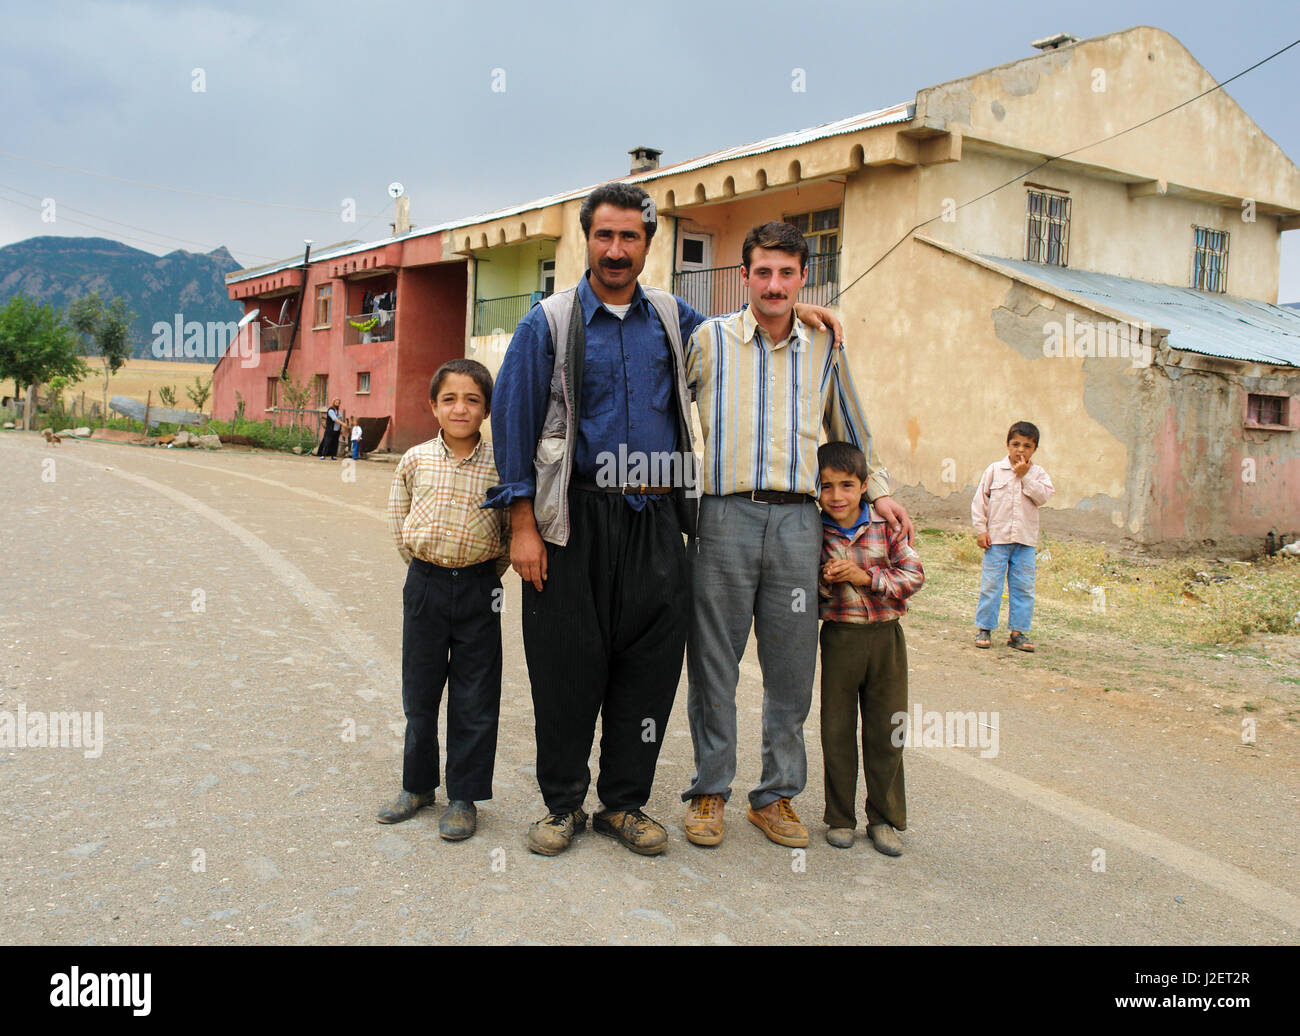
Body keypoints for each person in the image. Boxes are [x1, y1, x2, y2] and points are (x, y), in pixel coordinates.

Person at [487, 183, 847, 857]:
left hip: (656, 520)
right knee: (567, 666)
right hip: (575, 519)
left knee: (649, 669)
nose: (617, 250)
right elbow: (513, 423)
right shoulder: (551, 323)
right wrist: (524, 525)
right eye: (605, 236)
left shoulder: (674, 319)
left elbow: (750, 330)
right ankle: (563, 804)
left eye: (630, 238)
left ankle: (624, 804)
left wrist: (800, 309)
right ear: (586, 240)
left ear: (648, 246)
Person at [680, 221, 913, 849]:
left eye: (787, 273)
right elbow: (668, 402)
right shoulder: (709, 341)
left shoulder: (822, 346)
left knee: (790, 665)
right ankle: (709, 790)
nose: (775, 284)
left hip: (798, 522)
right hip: (723, 516)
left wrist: (881, 489)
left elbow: (851, 422)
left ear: (803, 277)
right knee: (713, 663)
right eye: (763, 272)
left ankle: (777, 795)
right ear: (746, 276)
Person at [379, 359, 510, 840]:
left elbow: (509, 535)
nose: (461, 408)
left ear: (487, 409)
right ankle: (416, 787)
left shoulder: (502, 464)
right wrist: (426, 570)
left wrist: (479, 576)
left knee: (476, 695)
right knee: (419, 691)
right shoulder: (414, 460)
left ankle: (463, 797)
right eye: (450, 399)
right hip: (425, 584)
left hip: (480, 588)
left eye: (473, 400)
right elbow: (399, 523)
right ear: (433, 406)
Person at [816, 440, 924, 855]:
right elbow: (808, 588)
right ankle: (840, 817)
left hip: (886, 639)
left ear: (865, 487)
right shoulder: (816, 529)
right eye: (827, 487)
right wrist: (827, 577)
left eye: (847, 485)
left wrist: (867, 578)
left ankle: (884, 818)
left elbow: (913, 575)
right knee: (837, 730)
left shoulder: (885, 526)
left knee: (886, 730)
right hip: (841, 639)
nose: (837, 496)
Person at [971, 421, 1054, 651]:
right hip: (996, 540)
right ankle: (984, 628)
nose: (1020, 450)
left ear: (1034, 449)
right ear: (1007, 445)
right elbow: (980, 502)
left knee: (1023, 587)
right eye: (1015, 444)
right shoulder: (994, 471)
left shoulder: (1038, 474)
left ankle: (1017, 633)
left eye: (1027, 446)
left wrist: (1025, 476)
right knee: (991, 585)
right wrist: (981, 530)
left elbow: (1042, 497)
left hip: (1025, 542)